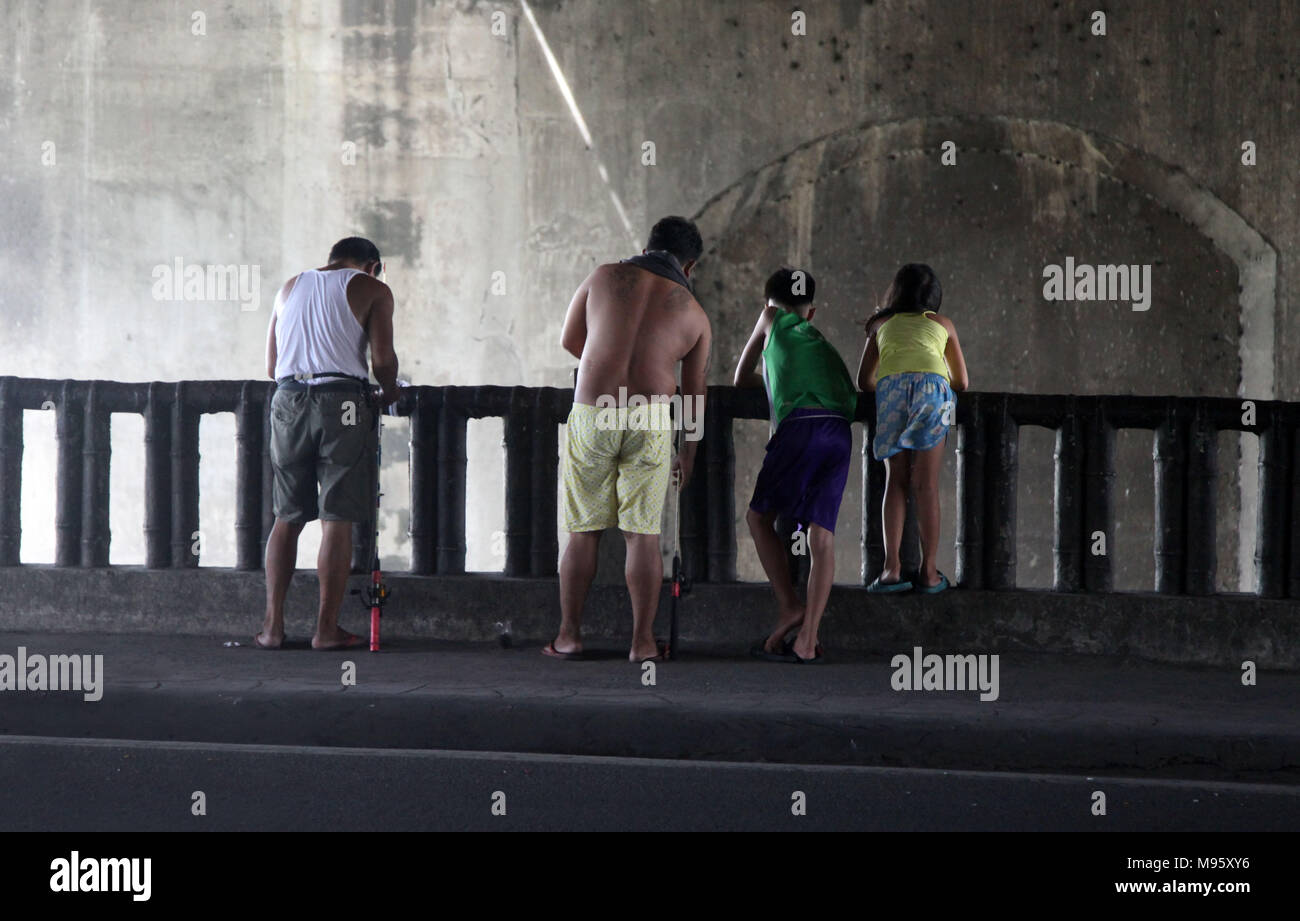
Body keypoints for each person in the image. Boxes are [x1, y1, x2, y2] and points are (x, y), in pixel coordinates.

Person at [545, 216, 712, 663]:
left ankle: (569, 636)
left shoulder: (604, 276)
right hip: (652, 418)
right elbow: (694, 394)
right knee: (642, 536)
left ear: (648, 245)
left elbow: (570, 340)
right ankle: (642, 644)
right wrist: (688, 451)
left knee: (582, 532)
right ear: (689, 265)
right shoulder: (695, 314)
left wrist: (608, 357)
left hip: (594, 409)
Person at [256, 237, 400, 650]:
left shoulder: (289, 287)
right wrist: (388, 391)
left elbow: (271, 365)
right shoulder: (373, 289)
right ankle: (325, 630)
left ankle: (272, 628)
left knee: (287, 516)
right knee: (336, 516)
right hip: (342, 404)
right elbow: (383, 360)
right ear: (373, 265)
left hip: (287, 400)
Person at [734, 268, 857, 664]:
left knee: (758, 519)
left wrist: (772, 382)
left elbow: (741, 378)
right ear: (812, 312)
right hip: (838, 432)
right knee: (822, 537)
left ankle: (789, 604)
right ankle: (807, 640)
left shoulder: (770, 317)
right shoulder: (822, 344)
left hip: (801, 427)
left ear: (767, 303)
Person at [856, 263, 969, 594]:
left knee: (897, 483)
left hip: (890, 392)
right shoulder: (942, 323)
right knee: (926, 486)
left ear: (896, 292)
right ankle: (929, 572)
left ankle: (891, 570)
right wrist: (928, 380)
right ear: (934, 298)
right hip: (933, 392)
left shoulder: (881, 324)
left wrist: (898, 383)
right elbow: (962, 381)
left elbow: (864, 381)